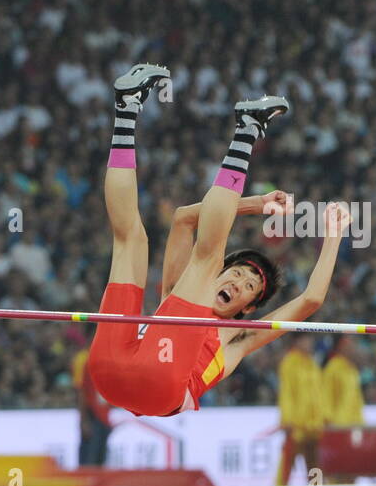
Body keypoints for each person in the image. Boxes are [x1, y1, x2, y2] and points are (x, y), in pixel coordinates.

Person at [87, 63, 349, 418]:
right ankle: (127, 107)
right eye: (239, 274)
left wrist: (332, 237)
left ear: (248, 309)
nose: (238, 282)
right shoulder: (177, 292)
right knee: (129, 238)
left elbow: (312, 299)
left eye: (249, 286)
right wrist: (255, 205)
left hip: (157, 386)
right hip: (109, 370)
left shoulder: (239, 337)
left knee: (206, 256)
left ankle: (248, 130)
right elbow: (183, 218)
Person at [275, 335, 324, 486]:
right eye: (306, 339)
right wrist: (287, 419)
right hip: (296, 425)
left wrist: (321, 418)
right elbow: (287, 392)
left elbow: (319, 393)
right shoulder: (290, 362)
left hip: (313, 425)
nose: (309, 343)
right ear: (297, 341)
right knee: (287, 463)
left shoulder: (312, 363)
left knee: (314, 465)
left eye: (310, 339)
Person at [321, 334, 365, 485]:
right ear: (341, 345)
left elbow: (356, 399)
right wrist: (328, 423)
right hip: (338, 427)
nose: (353, 347)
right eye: (349, 343)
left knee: (353, 468)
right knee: (336, 469)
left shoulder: (351, 369)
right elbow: (325, 398)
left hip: (353, 427)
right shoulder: (333, 368)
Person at [72, 344, 113, 466]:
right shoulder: (84, 359)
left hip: (104, 417)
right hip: (92, 415)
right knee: (89, 461)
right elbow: (81, 390)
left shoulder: (108, 361)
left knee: (100, 460)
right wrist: (83, 420)